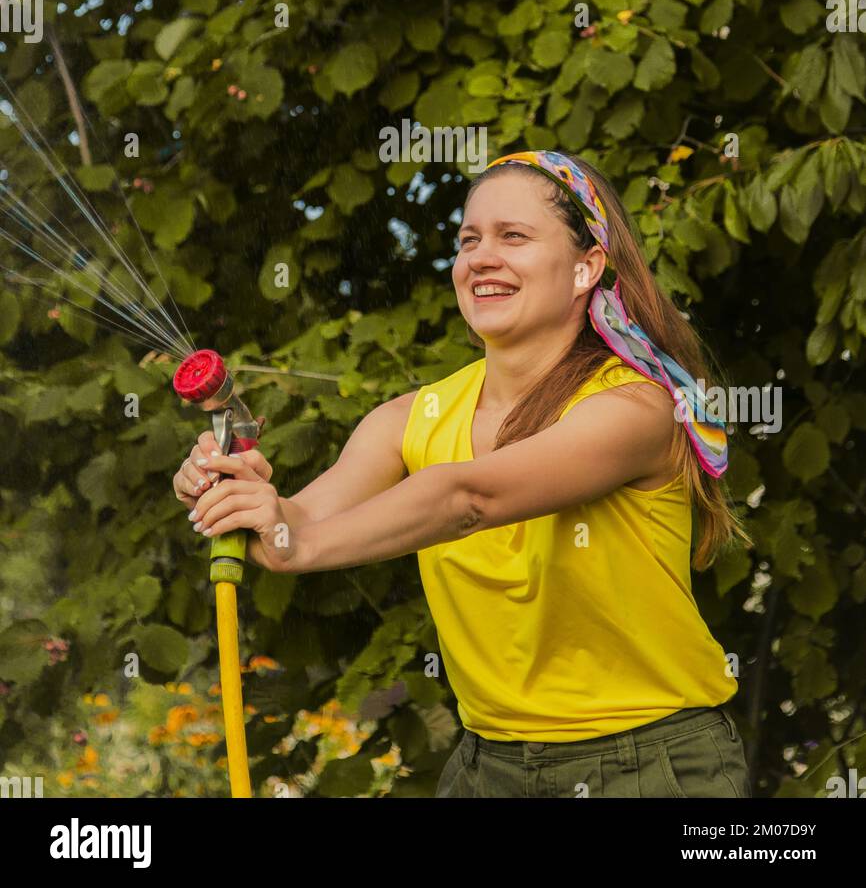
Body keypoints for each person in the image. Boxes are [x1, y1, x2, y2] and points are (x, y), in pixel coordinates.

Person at [173, 149, 753, 798]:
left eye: (513, 237)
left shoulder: (635, 410)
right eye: (469, 240)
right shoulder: (410, 418)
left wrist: (293, 544)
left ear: (586, 267)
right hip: (491, 766)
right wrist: (241, 493)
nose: (480, 257)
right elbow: (304, 517)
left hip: (647, 766)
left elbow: (468, 495)